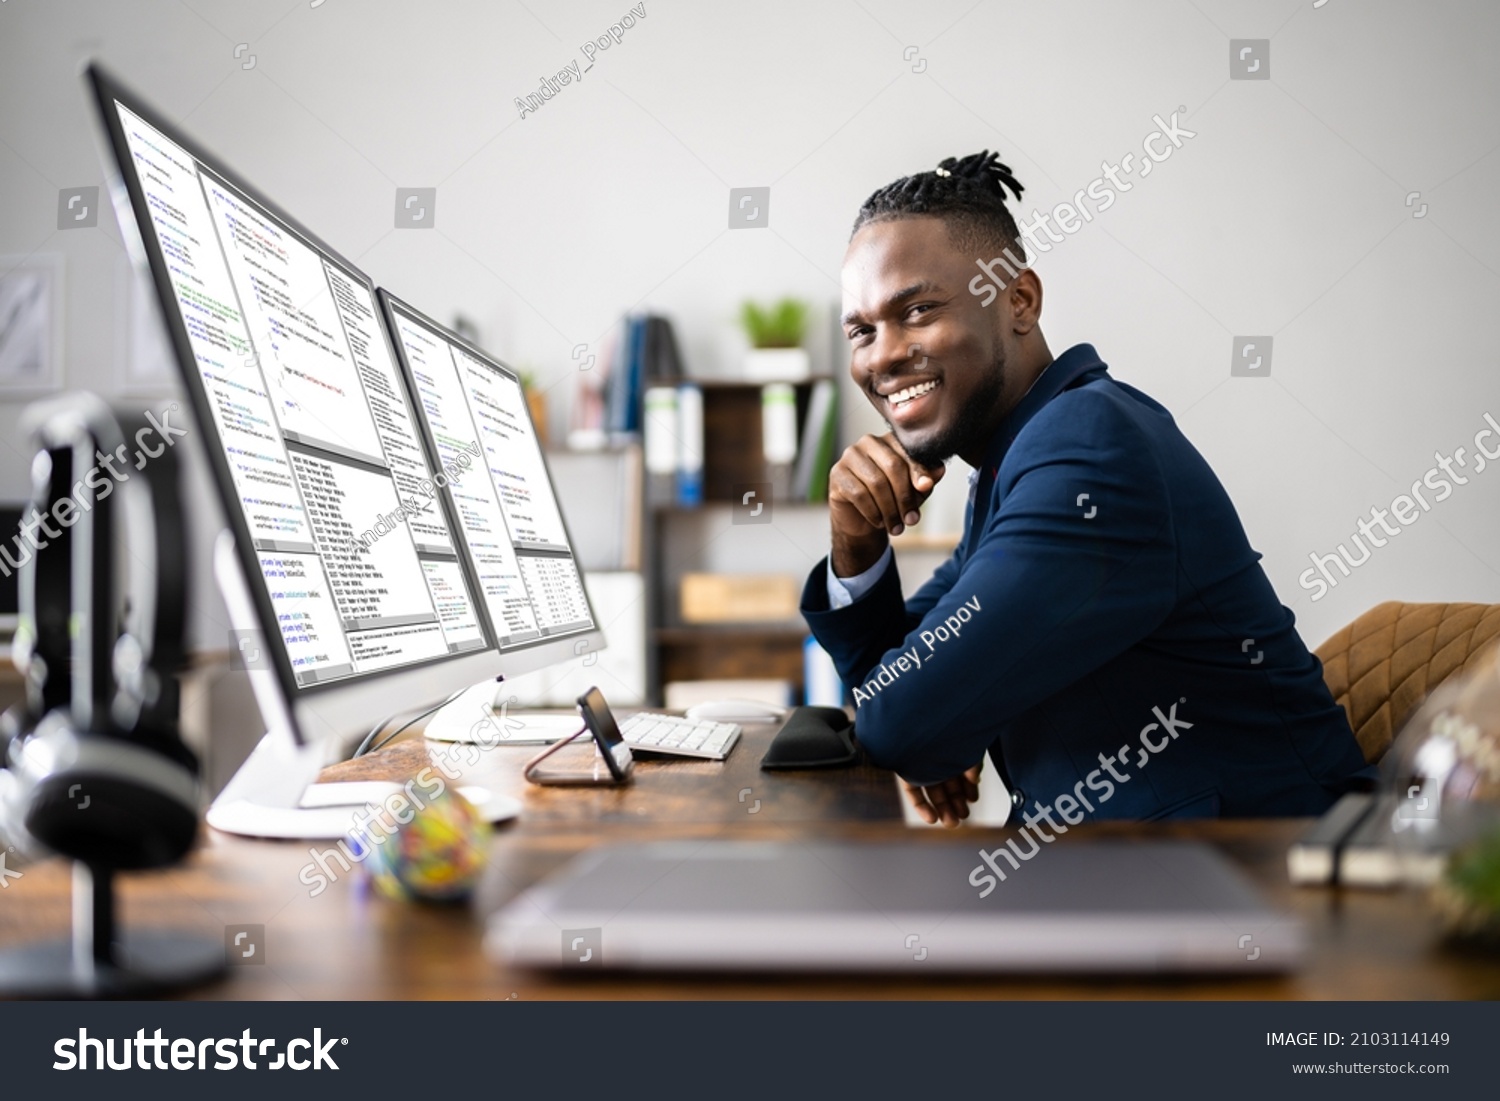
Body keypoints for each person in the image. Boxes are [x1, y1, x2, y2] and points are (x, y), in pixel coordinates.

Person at [801, 150, 1374, 828]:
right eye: (861, 331)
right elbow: (891, 690)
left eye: (919, 309)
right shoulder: (1016, 464)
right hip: (1132, 884)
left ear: (1019, 300)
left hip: (1260, 891)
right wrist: (854, 537)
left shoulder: (1087, 452)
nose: (885, 354)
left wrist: (939, 722)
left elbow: (900, 722)